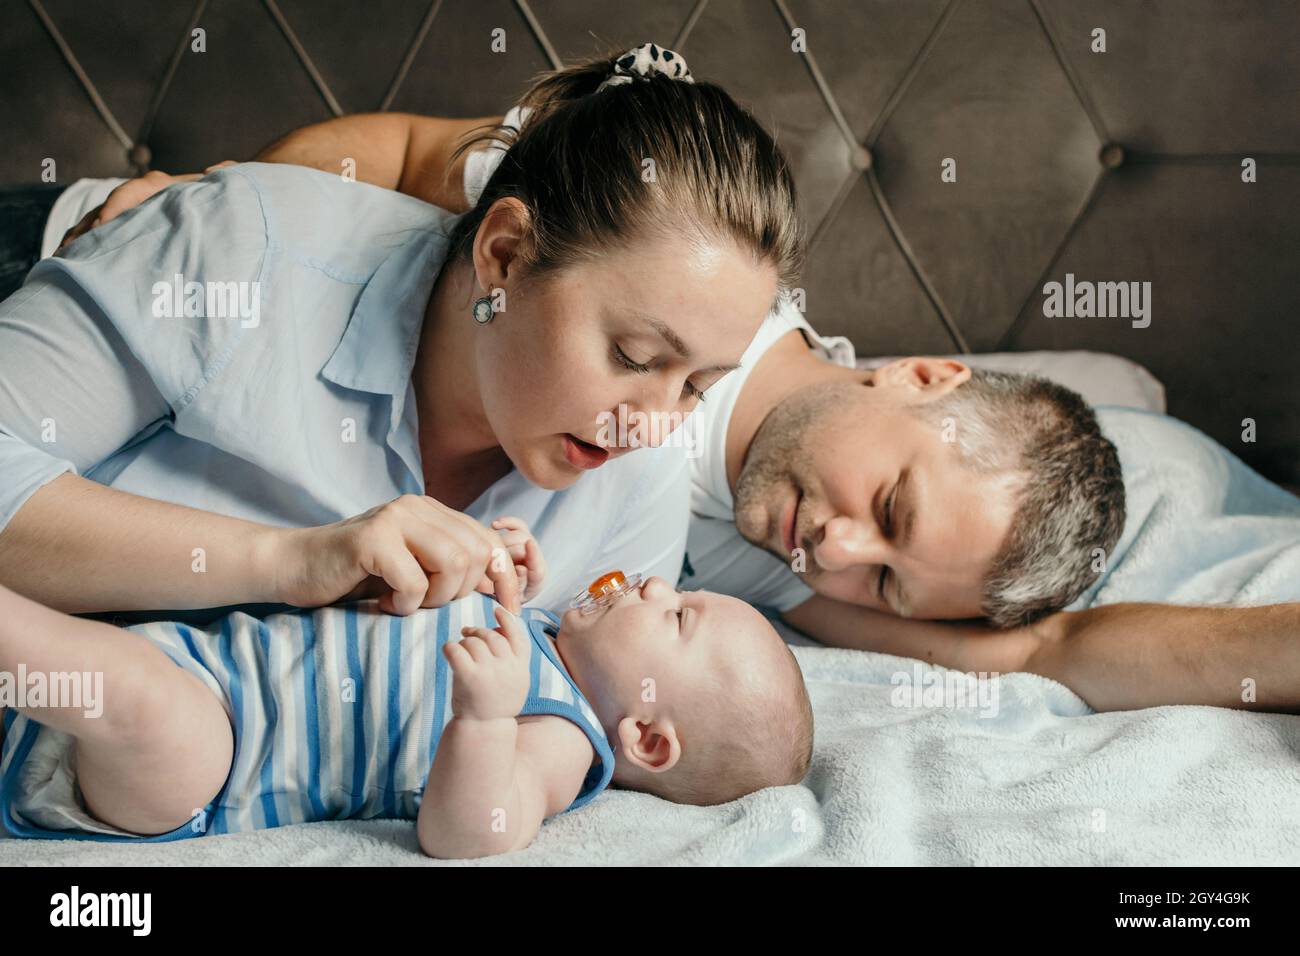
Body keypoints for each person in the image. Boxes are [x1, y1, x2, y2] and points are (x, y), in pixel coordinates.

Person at [0, 44, 803, 625]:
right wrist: (295, 561)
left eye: (697, 386)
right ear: (506, 254)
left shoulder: (644, 478)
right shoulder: (242, 248)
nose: (655, 422)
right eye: (633, 356)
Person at [0, 519, 813, 857]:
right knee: (101, 663)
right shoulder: (532, 638)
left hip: (220, 763)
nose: (654, 589)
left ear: (645, 738)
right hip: (208, 663)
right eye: (677, 590)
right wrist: (497, 572)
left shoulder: (563, 739)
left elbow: (474, 832)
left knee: (131, 695)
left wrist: (486, 721)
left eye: (678, 618)